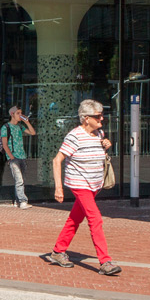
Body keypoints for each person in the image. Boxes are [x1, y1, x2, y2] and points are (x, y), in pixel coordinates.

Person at [42, 99, 119, 276]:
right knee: (95, 219)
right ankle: (105, 261)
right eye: (98, 116)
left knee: (74, 219)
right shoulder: (74, 136)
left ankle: (58, 251)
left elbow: (93, 154)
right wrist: (58, 188)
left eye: (102, 115)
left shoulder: (99, 134)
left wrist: (105, 146)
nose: (101, 119)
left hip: (94, 185)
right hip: (80, 184)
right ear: (86, 118)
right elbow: (57, 160)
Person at [0, 105, 37, 209]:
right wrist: (11, 157)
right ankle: (22, 201)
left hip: (22, 156)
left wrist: (27, 122)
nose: (20, 115)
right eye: (18, 113)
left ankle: (17, 200)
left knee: (21, 180)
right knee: (19, 180)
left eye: (21, 113)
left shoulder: (20, 126)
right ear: (12, 114)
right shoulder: (6, 127)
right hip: (14, 157)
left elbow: (33, 133)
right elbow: (4, 144)